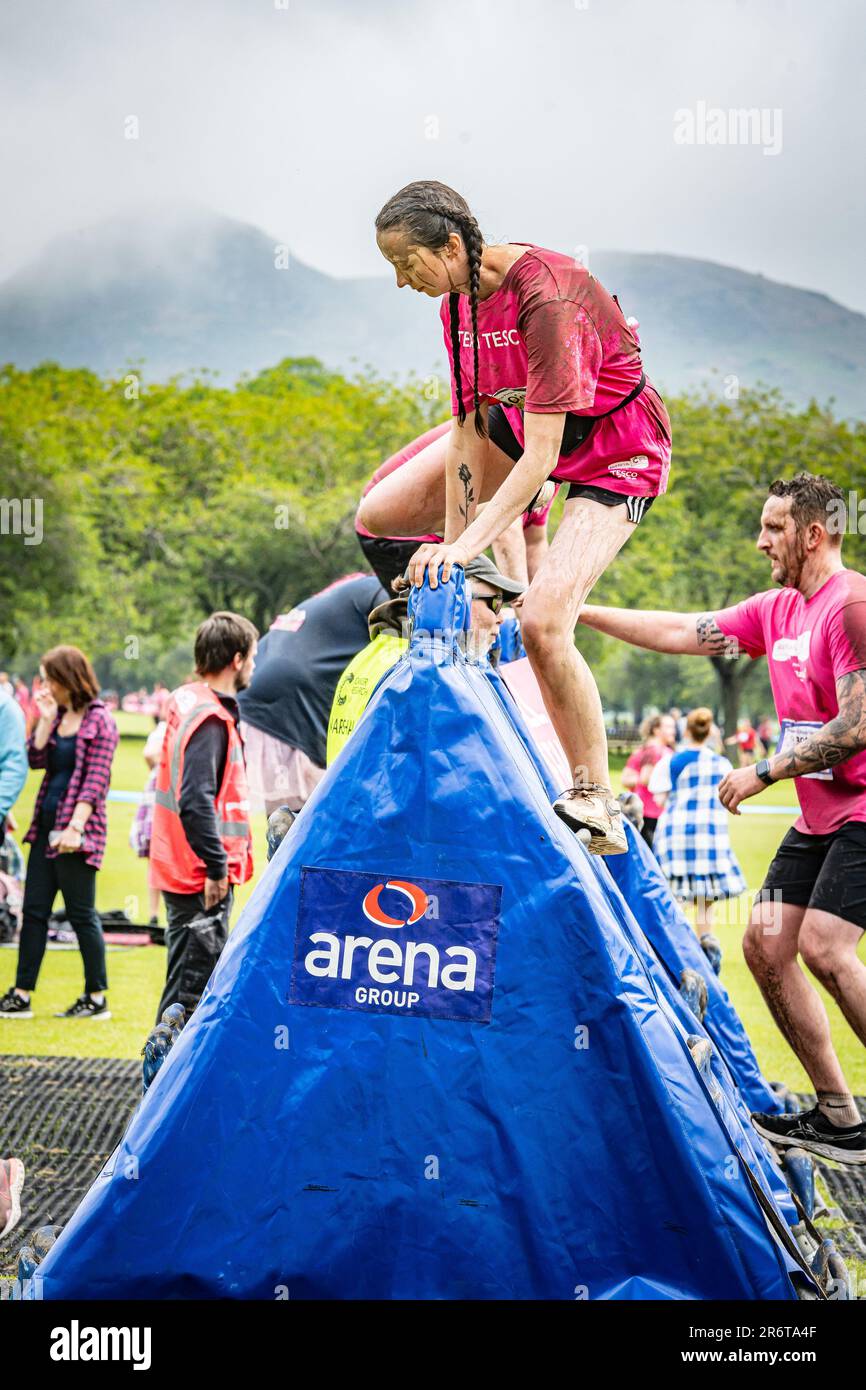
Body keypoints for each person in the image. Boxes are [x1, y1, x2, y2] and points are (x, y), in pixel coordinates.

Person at [364, 181, 672, 854]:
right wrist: (454, 556)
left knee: (543, 622)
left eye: (406, 263)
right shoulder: (458, 303)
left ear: (451, 245)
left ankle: (596, 798)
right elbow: (468, 431)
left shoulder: (547, 295)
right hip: (526, 429)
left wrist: (462, 545)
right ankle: (467, 596)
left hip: (615, 449)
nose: (401, 281)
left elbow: (540, 458)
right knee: (380, 511)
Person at [577, 471, 866, 1163]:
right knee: (764, 947)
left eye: (773, 528)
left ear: (813, 534)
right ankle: (840, 1117)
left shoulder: (851, 607)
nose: (760, 541)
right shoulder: (776, 610)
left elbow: (858, 725)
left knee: (825, 947)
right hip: (819, 818)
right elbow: (683, 630)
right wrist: (576, 607)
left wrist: (764, 770)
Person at [0, 646, 119, 1021]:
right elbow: (36, 759)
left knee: (82, 914)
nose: (46, 686)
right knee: (34, 911)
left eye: (50, 678)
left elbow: (95, 782)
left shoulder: (100, 720)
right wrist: (45, 720)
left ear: (69, 678)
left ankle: (95, 998)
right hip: (45, 827)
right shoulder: (60, 717)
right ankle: (21, 994)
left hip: (77, 833)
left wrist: (75, 828)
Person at [150, 612, 257, 1022]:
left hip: (180, 863)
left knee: (184, 988)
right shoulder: (210, 720)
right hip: (200, 876)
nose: (253, 666)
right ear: (236, 659)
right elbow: (196, 800)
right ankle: (162, 1066)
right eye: (252, 657)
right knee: (188, 999)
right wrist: (216, 868)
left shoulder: (188, 700)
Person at [327, 554, 526, 764]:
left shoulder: (371, 656)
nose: (500, 618)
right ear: (456, 598)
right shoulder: (427, 672)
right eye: (495, 603)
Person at [237, 574, 388, 815]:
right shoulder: (377, 588)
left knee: (286, 821)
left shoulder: (331, 599)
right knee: (317, 820)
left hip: (250, 695)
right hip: (291, 702)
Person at [355, 422, 558, 591]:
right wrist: (522, 604)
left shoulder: (551, 471)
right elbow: (505, 530)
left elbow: (535, 542)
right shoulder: (519, 442)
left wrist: (542, 604)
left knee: (472, 610)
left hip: (445, 529)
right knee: (446, 609)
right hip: (398, 525)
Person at [648, 706, 747, 935]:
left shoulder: (672, 762)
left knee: (676, 896)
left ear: (686, 731)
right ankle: (705, 943)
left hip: (676, 836)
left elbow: (660, 798)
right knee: (705, 898)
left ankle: (678, 944)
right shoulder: (723, 764)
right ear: (710, 732)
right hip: (708, 836)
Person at [129, 715, 167, 927]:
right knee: (157, 857)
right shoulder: (165, 729)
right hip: (160, 793)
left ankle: (159, 913)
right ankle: (154, 913)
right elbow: (149, 754)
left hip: (165, 793)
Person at [620, 713, 677, 849]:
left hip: (640, 811)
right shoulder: (657, 751)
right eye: (669, 727)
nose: (673, 731)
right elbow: (645, 778)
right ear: (656, 730)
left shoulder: (642, 751)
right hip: (653, 814)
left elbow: (626, 779)